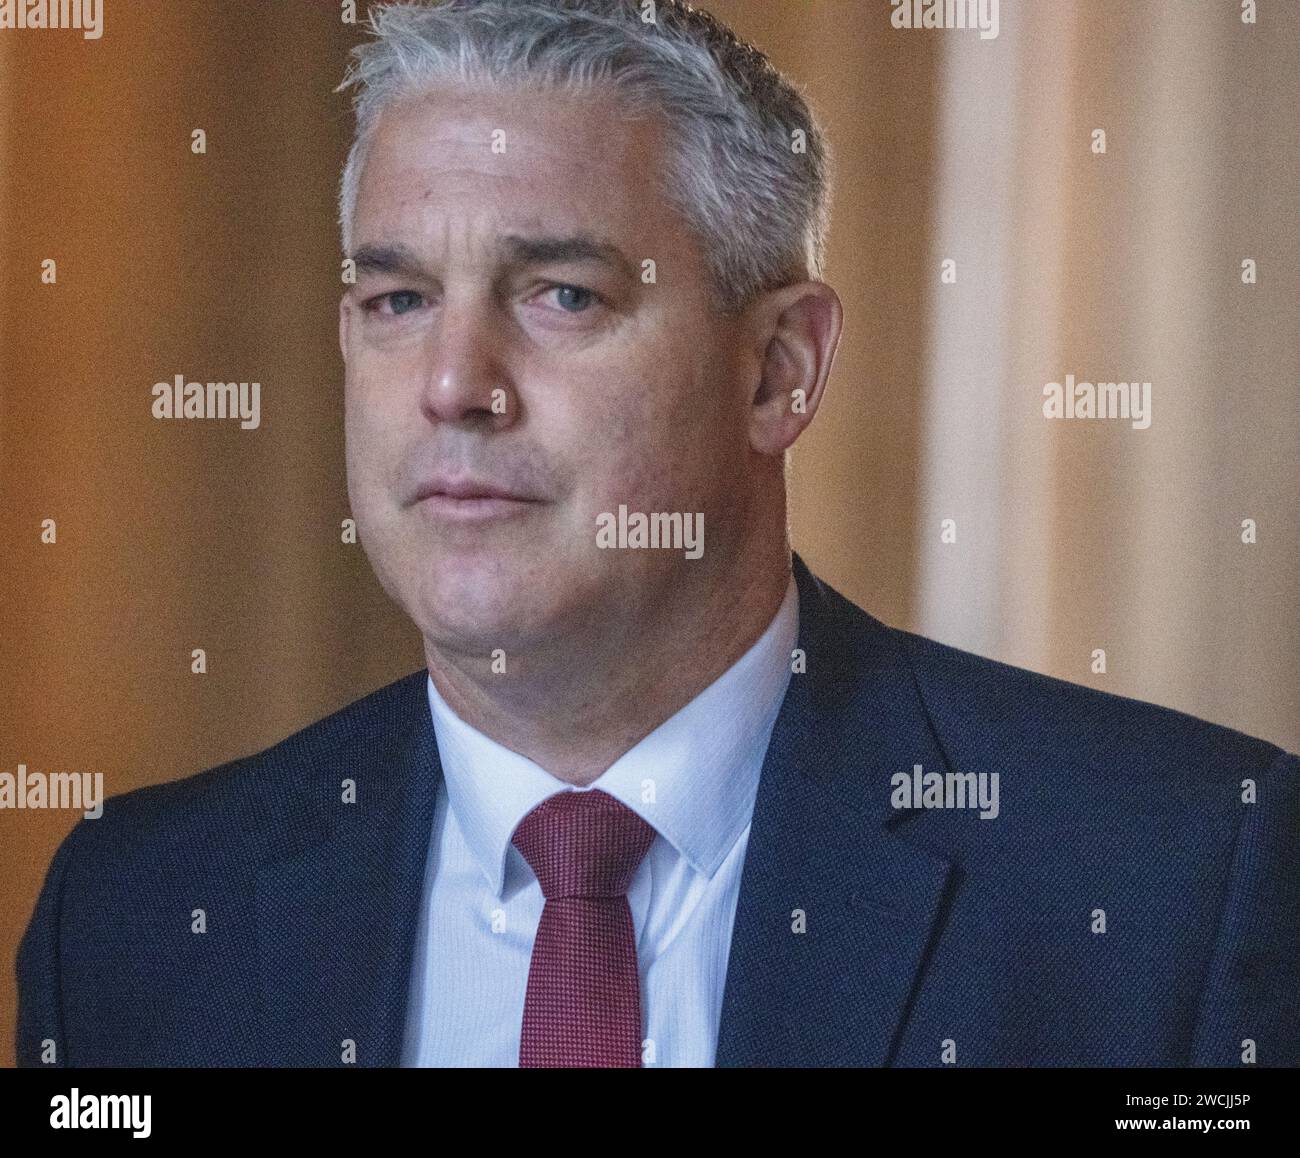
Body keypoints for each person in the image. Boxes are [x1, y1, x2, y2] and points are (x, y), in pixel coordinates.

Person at [17, 0, 1299, 1068]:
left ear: (776, 371)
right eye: (398, 297)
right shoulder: (131, 920)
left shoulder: (1175, 882)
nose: (453, 382)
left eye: (560, 294)